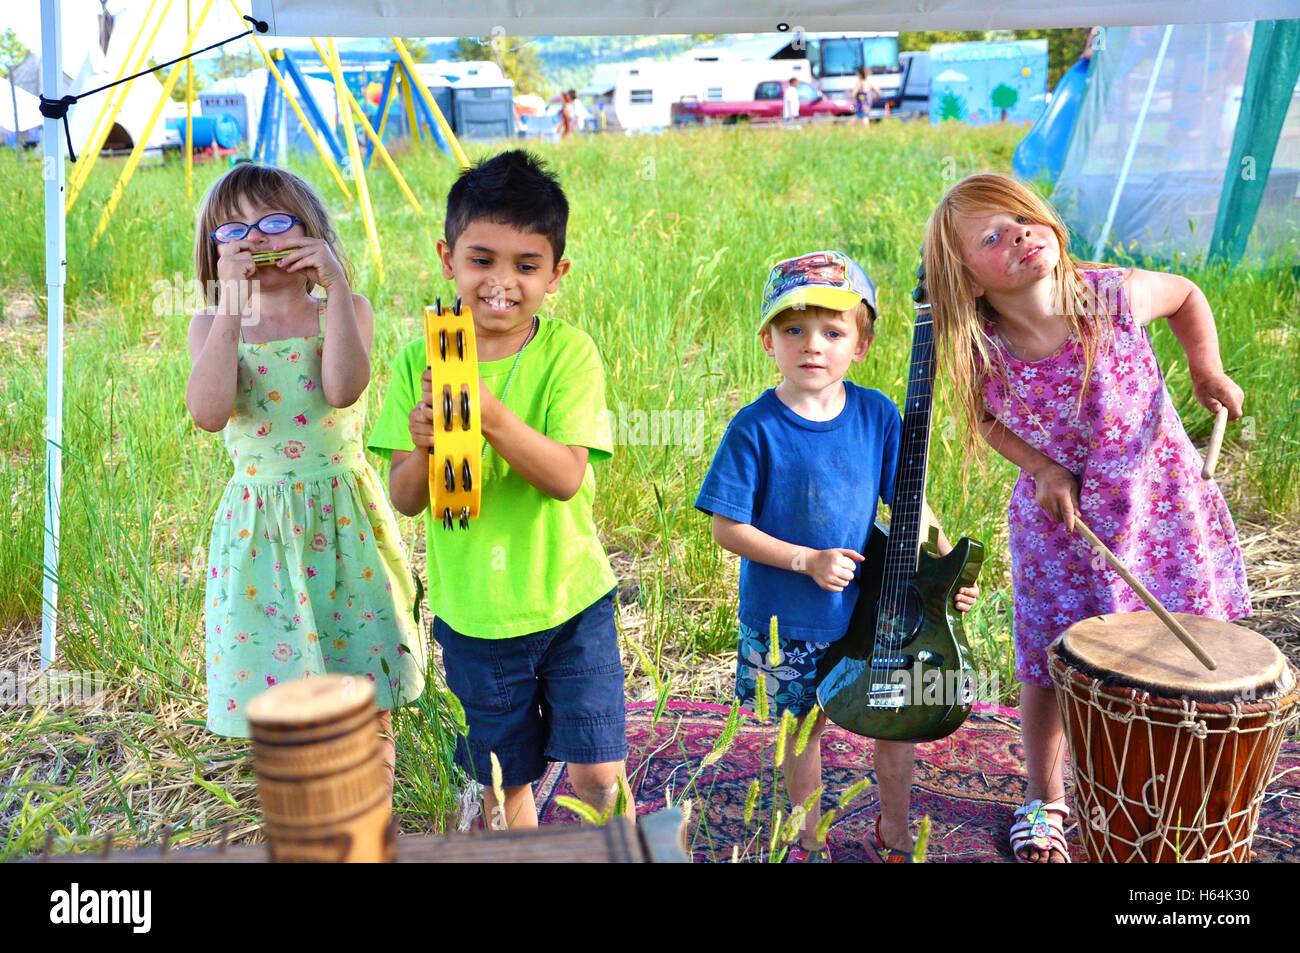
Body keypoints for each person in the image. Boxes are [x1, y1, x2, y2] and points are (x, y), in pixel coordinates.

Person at [922, 172, 1251, 862]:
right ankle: (1047, 801)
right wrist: (1042, 468)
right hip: (1062, 526)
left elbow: (1189, 295)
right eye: (992, 235)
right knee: (1050, 659)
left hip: (1159, 505)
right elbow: (986, 420)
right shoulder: (984, 346)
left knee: (1185, 640)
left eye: (1022, 219)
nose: (1018, 233)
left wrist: (1205, 371)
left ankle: (1182, 784)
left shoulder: (1112, 295)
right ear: (970, 280)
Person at [368, 150, 632, 830]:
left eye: (526, 265)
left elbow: (565, 475)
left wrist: (486, 413)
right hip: (476, 619)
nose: (500, 283)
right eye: (481, 260)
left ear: (556, 273)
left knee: (599, 774)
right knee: (499, 785)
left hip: (571, 600)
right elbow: (404, 496)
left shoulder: (570, 354)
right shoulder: (419, 357)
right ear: (447, 256)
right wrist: (426, 445)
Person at [695, 251, 979, 862]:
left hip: (870, 608)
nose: (812, 346)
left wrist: (944, 567)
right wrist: (806, 561)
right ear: (768, 342)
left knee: (896, 717)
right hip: (787, 618)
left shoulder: (877, 414)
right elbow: (726, 528)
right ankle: (809, 838)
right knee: (803, 732)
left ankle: (897, 831)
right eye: (793, 330)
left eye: (832, 332)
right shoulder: (756, 428)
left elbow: (909, 504)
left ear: (862, 344)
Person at [186, 164, 427, 797]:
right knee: (281, 680)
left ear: (310, 231)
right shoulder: (211, 325)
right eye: (232, 231)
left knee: (360, 676)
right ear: (214, 250)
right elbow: (209, 413)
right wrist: (233, 309)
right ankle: (308, 815)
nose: (254, 240)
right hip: (263, 528)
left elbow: (343, 388)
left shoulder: (344, 311)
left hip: (342, 521)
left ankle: (370, 809)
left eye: (273, 222)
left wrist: (339, 288)